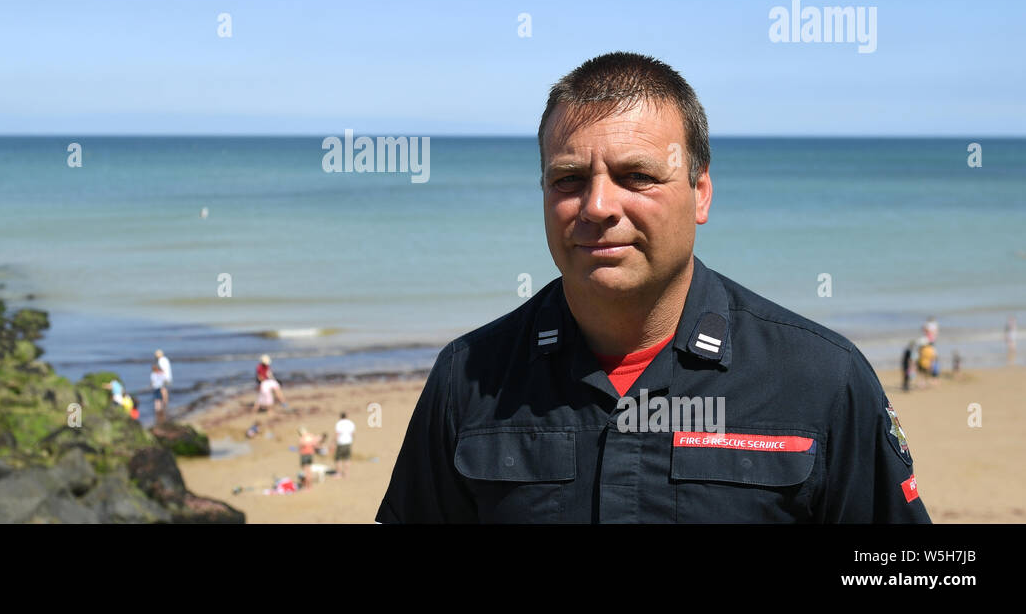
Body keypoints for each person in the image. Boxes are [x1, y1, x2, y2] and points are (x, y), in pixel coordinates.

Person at [376, 52, 930, 523]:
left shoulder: (820, 378)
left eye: (636, 176)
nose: (597, 206)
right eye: (569, 179)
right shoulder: (469, 377)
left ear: (700, 192)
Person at [334, 411, 356, 478]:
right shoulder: (351, 423)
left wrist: (334, 442)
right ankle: (346, 473)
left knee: (338, 459)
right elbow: (353, 434)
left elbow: (337, 434)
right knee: (347, 458)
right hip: (348, 443)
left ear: (340, 416)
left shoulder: (339, 423)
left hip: (341, 443)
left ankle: (339, 473)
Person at [153, 350, 172, 419]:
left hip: (164, 378)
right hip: (168, 377)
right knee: (165, 390)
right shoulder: (165, 359)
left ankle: (164, 404)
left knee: (163, 391)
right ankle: (165, 404)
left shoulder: (160, 361)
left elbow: (162, 370)